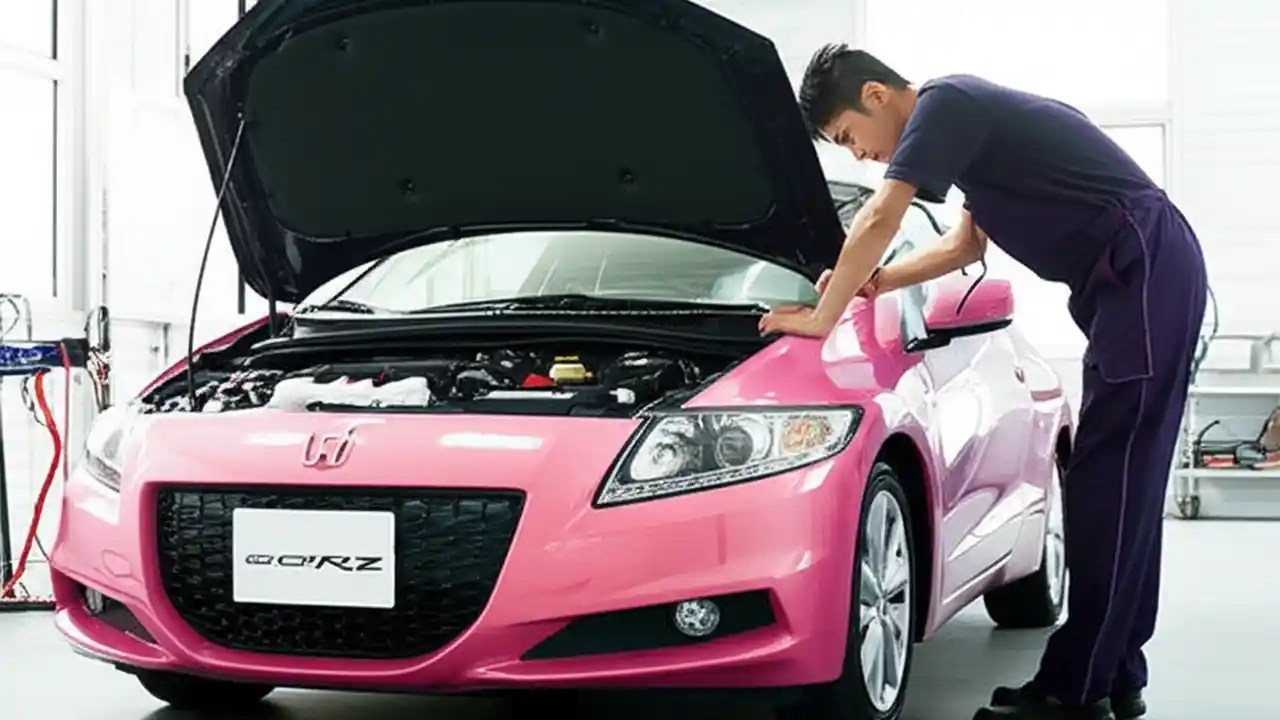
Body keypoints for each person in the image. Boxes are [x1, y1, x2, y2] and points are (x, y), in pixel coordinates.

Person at [761, 45, 1207, 720]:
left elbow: (881, 215)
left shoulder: (947, 105)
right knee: (1124, 485)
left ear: (878, 96)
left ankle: (1072, 691)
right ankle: (1117, 671)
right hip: (1140, 277)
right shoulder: (971, 136)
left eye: (850, 139)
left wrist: (824, 316)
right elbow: (963, 248)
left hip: (1143, 269)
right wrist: (872, 285)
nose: (859, 156)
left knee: (1110, 483)